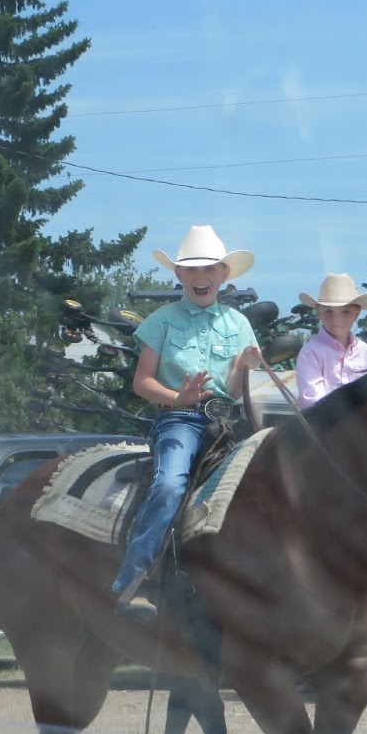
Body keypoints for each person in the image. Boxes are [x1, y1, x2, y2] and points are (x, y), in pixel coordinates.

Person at [112, 226, 262, 625]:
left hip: (227, 422)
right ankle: (136, 581)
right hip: (179, 420)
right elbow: (141, 383)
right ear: (178, 275)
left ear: (224, 275)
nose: (201, 277)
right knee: (168, 484)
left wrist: (244, 368)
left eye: (210, 269)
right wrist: (181, 398)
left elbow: (233, 388)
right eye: (192, 270)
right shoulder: (160, 321)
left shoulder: (238, 325)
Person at [294, 272, 367, 409]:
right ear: (318, 313)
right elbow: (312, 400)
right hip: (321, 426)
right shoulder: (311, 352)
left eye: (346, 312)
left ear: (356, 315)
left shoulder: (364, 351)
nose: (336, 319)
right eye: (329, 312)